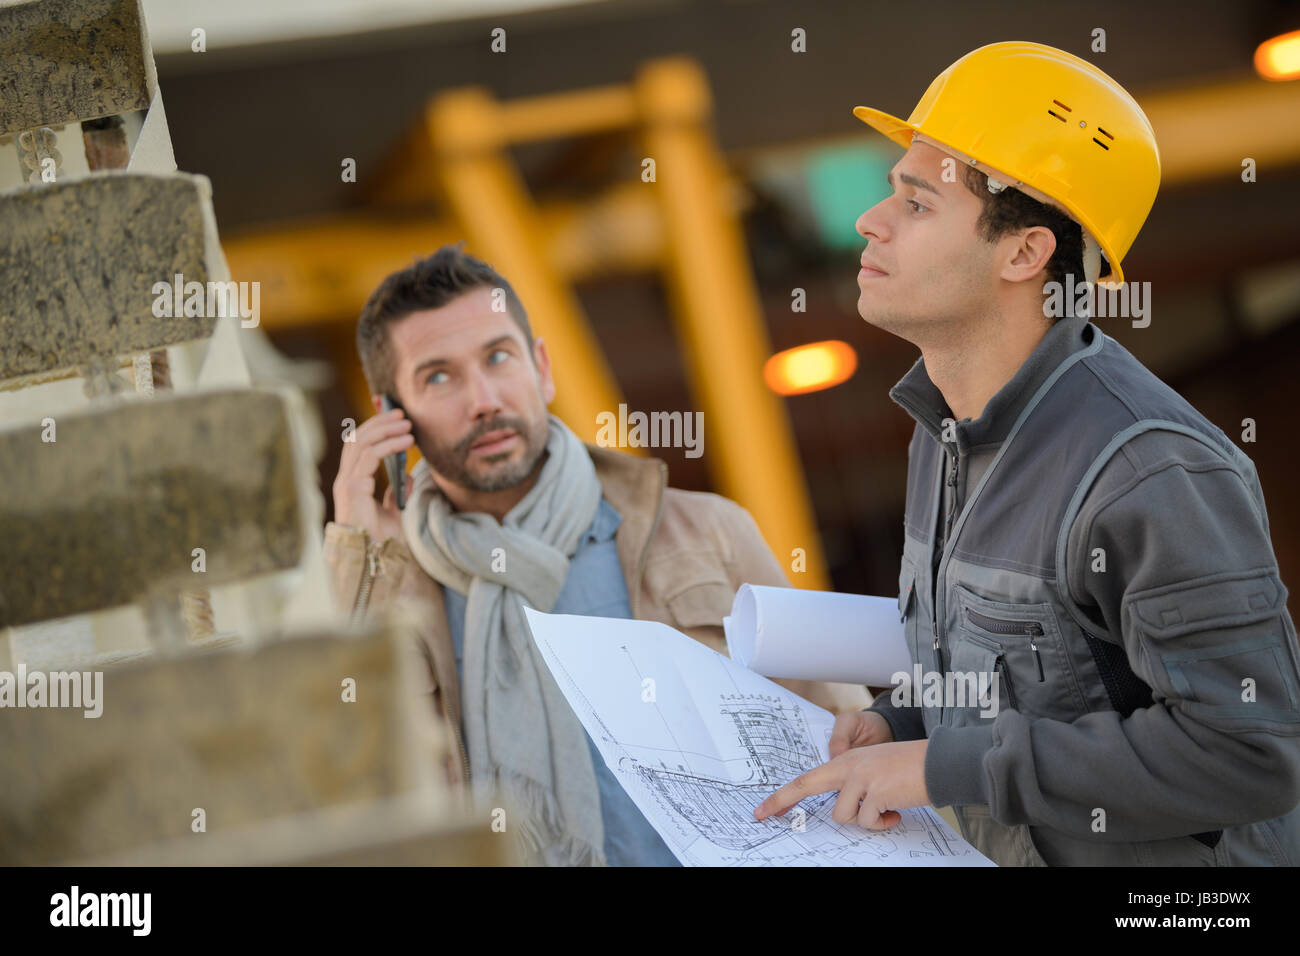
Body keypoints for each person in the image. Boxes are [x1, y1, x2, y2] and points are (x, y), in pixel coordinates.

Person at [755, 40, 1300, 866]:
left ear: (1023, 253)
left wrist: (941, 765)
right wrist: (903, 720)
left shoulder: (1148, 468)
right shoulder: (944, 431)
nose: (872, 219)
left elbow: (1251, 754)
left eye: (918, 202)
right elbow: (1027, 677)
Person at [323, 243, 869, 866]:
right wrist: (357, 559)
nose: (483, 399)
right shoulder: (388, 588)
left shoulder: (706, 532)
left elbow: (841, 731)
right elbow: (341, 796)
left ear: (542, 367)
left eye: (497, 357)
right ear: (393, 419)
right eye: (438, 376)